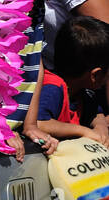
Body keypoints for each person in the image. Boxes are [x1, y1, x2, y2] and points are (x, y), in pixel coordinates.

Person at [6, 0, 81, 160]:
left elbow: (35, 63)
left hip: (15, 130)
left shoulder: (36, 5)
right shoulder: (2, 7)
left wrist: (30, 125)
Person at [36, 15, 109, 145]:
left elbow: (97, 114)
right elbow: (40, 123)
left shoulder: (83, 92)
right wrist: (84, 131)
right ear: (95, 75)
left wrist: (101, 127)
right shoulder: (52, 88)